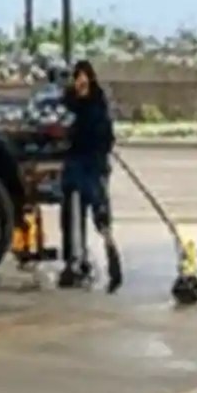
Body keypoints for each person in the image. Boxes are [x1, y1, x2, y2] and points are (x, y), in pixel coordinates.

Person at [58, 60, 123, 293]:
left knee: (100, 211)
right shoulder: (69, 104)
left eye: (84, 77)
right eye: (77, 77)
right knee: (73, 215)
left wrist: (103, 148)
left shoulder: (98, 104)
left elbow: (106, 135)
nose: (81, 82)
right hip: (75, 165)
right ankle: (74, 260)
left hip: (94, 166)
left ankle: (110, 252)